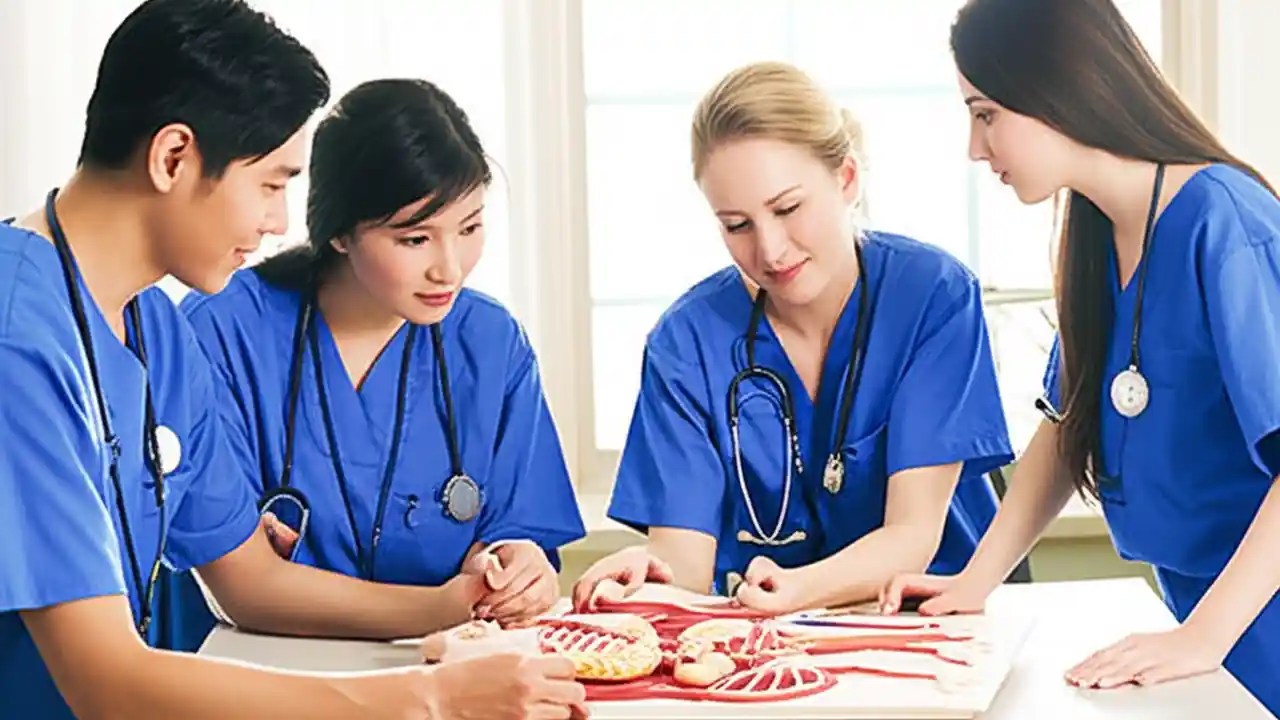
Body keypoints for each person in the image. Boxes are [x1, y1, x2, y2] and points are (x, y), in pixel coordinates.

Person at [0, 1, 584, 717]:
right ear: (173, 157)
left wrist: (450, 606)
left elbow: (250, 581)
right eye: (272, 183)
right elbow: (105, 682)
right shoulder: (18, 339)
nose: (280, 222)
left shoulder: (155, 330)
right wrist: (430, 700)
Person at [878, 0, 1280, 714]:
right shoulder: (1096, 235)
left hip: (1251, 611)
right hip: (1194, 608)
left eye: (986, 113)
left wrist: (1205, 638)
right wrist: (974, 583)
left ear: (1058, 88)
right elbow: (1070, 426)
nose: (976, 147)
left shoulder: (1226, 222)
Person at [571, 61, 1014, 615]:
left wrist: (796, 590)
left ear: (846, 179)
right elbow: (683, 560)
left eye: (787, 208)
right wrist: (649, 573)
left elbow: (913, 537)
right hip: (770, 644)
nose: (771, 250)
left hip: (934, 624)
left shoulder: (932, 297)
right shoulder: (685, 343)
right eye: (737, 225)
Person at [169, 77, 586, 649]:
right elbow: (241, 584)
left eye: (469, 228)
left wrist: (520, 569)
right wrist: (442, 607)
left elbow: (517, 529)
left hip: (446, 673)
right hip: (258, 679)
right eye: (415, 239)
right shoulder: (222, 331)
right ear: (340, 232)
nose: (450, 269)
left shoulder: (490, 342)